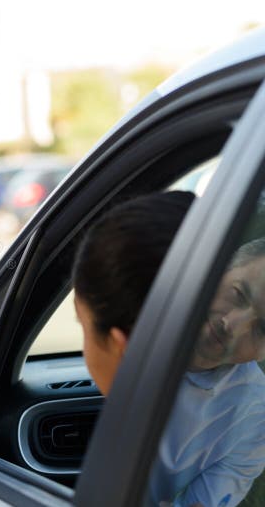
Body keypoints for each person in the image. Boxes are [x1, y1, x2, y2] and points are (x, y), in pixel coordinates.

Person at [72, 191, 265, 507]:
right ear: (219, 268)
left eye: (262, 328)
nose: (233, 324)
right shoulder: (122, 299)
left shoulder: (253, 417)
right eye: (239, 293)